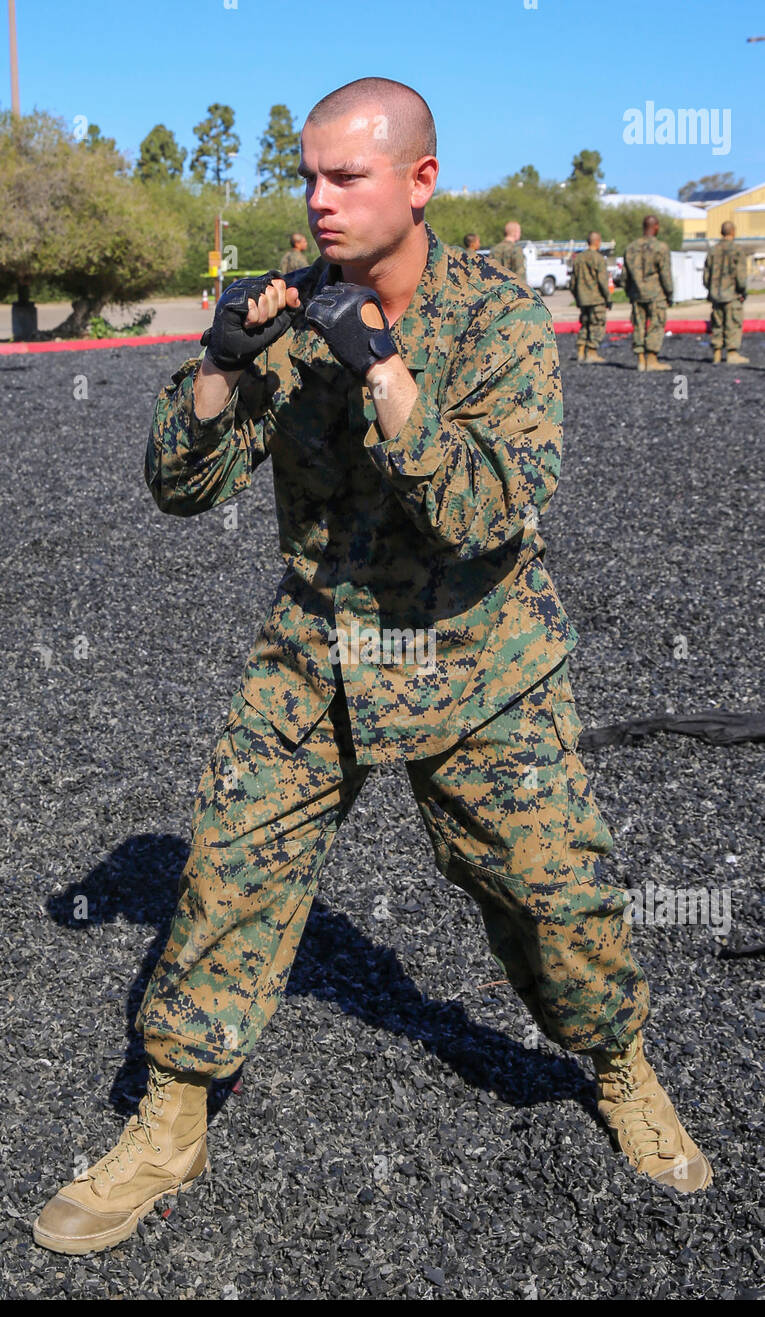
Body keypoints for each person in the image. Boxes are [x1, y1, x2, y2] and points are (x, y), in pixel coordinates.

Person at [33, 76, 712, 1256]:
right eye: (307, 177)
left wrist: (388, 372)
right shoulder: (291, 320)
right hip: (316, 654)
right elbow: (181, 489)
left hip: (478, 659)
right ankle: (173, 1112)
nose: (319, 202)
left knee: (558, 905)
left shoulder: (498, 322)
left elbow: (490, 514)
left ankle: (619, 1065)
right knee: (225, 880)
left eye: (345, 177)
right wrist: (220, 363)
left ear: (420, 181)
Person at [623, 215, 673, 372]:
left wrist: (629, 291)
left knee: (638, 325)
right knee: (656, 324)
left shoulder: (631, 248)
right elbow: (665, 274)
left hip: (636, 293)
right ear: (656, 227)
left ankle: (640, 360)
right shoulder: (661, 247)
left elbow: (625, 276)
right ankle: (651, 359)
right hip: (656, 293)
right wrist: (670, 293)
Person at [703, 221, 749, 365]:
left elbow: (705, 277)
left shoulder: (713, 250)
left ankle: (716, 353)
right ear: (733, 232)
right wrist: (742, 291)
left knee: (717, 324)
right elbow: (741, 277)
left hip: (716, 295)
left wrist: (712, 289)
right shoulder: (737, 250)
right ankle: (732, 353)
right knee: (733, 323)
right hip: (732, 294)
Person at [570, 232, 611, 364]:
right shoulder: (598, 258)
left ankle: (581, 351)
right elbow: (603, 281)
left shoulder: (578, 258)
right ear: (598, 242)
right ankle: (592, 352)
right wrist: (608, 298)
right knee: (597, 324)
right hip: (596, 299)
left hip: (583, 299)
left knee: (585, 324)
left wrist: (577, 297)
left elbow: (572, 282)